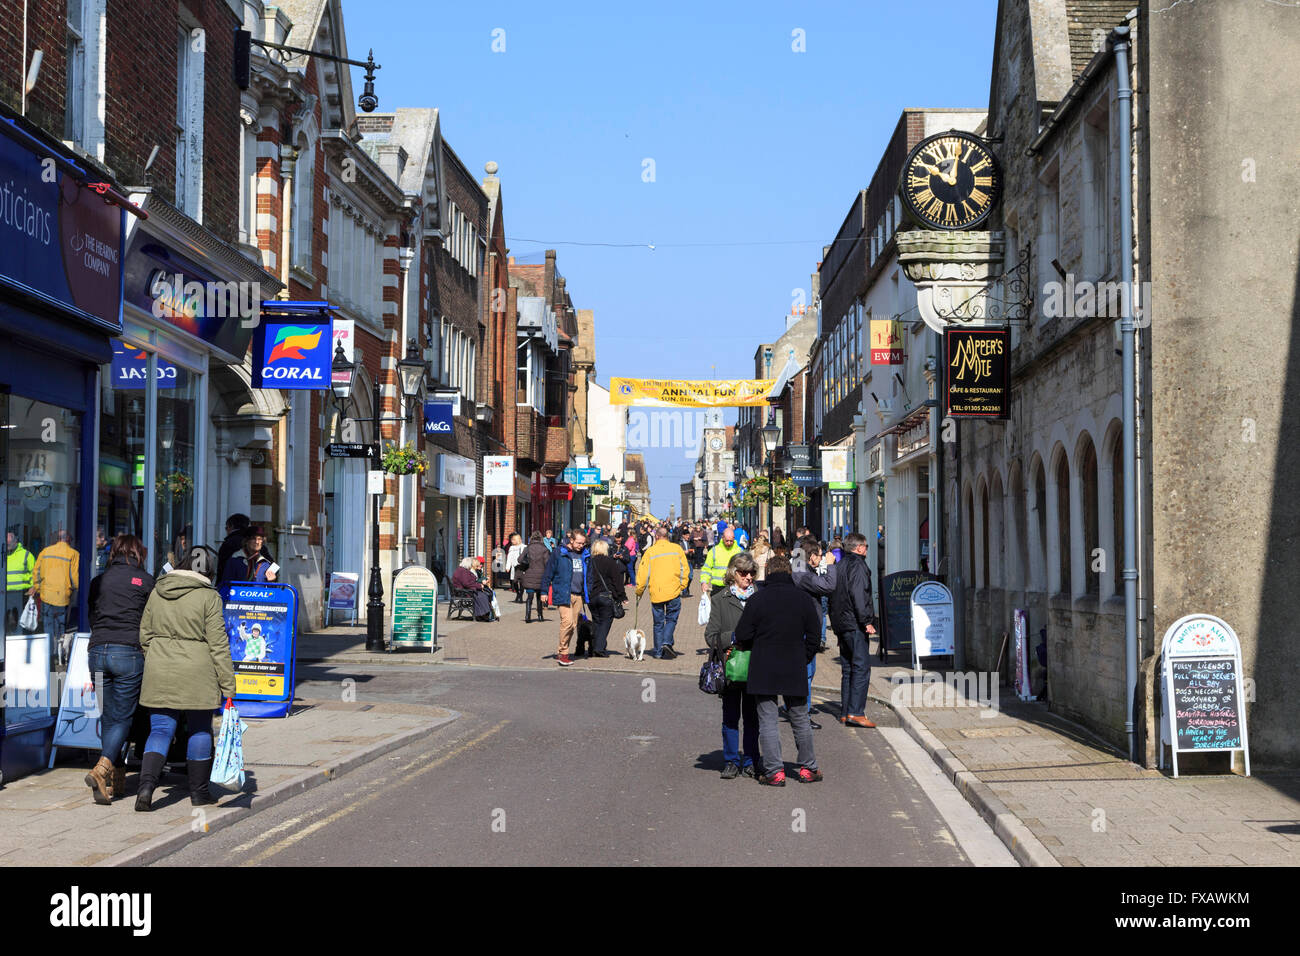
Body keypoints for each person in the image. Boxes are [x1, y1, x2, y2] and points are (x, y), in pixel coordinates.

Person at [135, 547, 236, 811]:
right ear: (208, 571)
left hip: (160, 668)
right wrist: (228, 683)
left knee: (160, 729)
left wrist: (157, 655)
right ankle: (199, 793)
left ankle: (145, 788)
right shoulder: (208, 597)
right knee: (200, 728)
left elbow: (144, 634)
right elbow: (218, 643)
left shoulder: (158, 590)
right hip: (197, 671)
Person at [733, 554, 822, 786]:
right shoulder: (803, 599)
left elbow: (742, 634)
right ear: (790, 574)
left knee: (768, 721)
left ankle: (774, 772)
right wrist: (803, 657)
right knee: (800, 719)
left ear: (768, 574)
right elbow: (815, 636)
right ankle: (808, 769)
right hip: (794, 665)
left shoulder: (757, 600)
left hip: (764, 666)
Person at [83, 535, 155, 804]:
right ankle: (102, 770)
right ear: (138, 554)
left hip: (97, 652)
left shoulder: (97, 581)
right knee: (123, 717)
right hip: (128, 652)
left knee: (109, 716)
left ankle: (116, 778)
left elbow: (92, 616)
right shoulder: (146, 581)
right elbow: (152, 620)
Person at [705, 553, 761, 779]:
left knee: (752, 717)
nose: (748, 577)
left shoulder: (760, 597)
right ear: (733, 573)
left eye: (751, 573)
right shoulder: (720, 598)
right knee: (730, 717)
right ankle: (730, 761)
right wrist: (734, 637)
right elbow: (711, 636)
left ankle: (750, 760)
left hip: (756, 665)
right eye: (743, 573)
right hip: (730, 667)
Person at [829, 532, 877, 728]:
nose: (866, 550)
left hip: (841, 623)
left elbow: (832, 596)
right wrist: (866, 621)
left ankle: (846, 711)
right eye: (866, 546)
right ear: (858, 548)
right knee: (861, 667)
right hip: (854, 624)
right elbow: (859, 595)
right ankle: (856, 712)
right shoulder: (858, 566)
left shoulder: (839, 566)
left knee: (848, 668)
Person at [791, 538, 837, 730]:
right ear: (811, 557)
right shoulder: (805, 577)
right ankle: (804, 714)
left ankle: (795, 707)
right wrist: (831, 566)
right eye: (818, 555)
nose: (822, 557)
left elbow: (796, 556)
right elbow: (828, 586)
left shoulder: (800, 570)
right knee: (807, 673)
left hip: (804, 628)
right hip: (805, 631)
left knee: (804, 672)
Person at [634, 526, 690, 660]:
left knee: (658, 623)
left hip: (656, 592)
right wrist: (682, 585)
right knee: (671, 619)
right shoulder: (677, 549)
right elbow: (685, 569)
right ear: (667, 536)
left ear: (657, 537)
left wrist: (639, 591)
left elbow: (643, 574)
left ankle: (659, 652)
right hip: (674, 590)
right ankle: (666, 642)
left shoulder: (650, 552)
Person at [540, 529, 589, 666]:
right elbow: (548, 572)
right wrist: (544, 591)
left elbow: (587, 574)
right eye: (578, 543)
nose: (581, 546)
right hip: (563, 593)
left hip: (578, 595)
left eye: (583, 543)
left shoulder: (584, 554)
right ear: (571, 540)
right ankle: (564, 653)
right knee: (566, 623)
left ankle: (561, 650)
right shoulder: (559, 553)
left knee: (573, 626)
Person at [30, 529, 79, 642]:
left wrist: (38, 588)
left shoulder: (45, 551)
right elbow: (75, 577)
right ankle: (58, 652)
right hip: (62, 595)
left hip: (46, 594)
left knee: (48, 624)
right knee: (60, 625)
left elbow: (36, 571)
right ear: (67, 539)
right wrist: (77, 589)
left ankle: (49, 652)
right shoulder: (74, 554)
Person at [585, 539, 627, 658]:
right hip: (606, 596)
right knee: (605, 622)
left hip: (592, 597)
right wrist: (622, 596)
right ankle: (599, 648)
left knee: (597, 621)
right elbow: (617, 581)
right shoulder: (610, 562)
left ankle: (595, 647)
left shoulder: (590, 562)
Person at [6, 530, 36, 633]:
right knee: (6, 622)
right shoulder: (3, 555)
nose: (8, 543)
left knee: (19, 621)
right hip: (4, 594)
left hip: (21, 595)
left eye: (10, 540)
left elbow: (35, 574)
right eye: (6, 541)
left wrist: (33, 588)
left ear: (16, 540)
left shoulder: (26, 555)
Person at [700, 525, 744, 595]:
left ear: (734, 538)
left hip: (735, 588)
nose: (729, 543)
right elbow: (706, 569)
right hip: (717, 589)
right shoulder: (714, 551)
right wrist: (704, 582)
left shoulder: (739, 551)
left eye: (731, 541)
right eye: (727, 541)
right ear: (722, 538)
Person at [519, 532, 550, 624]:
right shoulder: (545, 549)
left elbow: (520, 559)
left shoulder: (527, 548)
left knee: (529, 597)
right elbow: (547, 563)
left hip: (529, 576)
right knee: (540, 597)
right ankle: (540, 616)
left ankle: (527, 616)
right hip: (541, 575)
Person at [215, 513, 251, 587]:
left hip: (233, 588)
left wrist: (218, 587)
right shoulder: (257, 543)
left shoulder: (228, 544)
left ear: (231, 526)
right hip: (256, 589)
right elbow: (273, 564)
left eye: (226, 528)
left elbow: (222, 568)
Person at [505, 532, 525, 602]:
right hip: (514, 567)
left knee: (522, 582)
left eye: (513, 539)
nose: (512, 541)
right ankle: (518, 593)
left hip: (521, 567)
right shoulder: (511, 548)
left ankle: (521, 596)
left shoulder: (523, 547)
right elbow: (509, 558)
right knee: (514, 581)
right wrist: (508, 566)